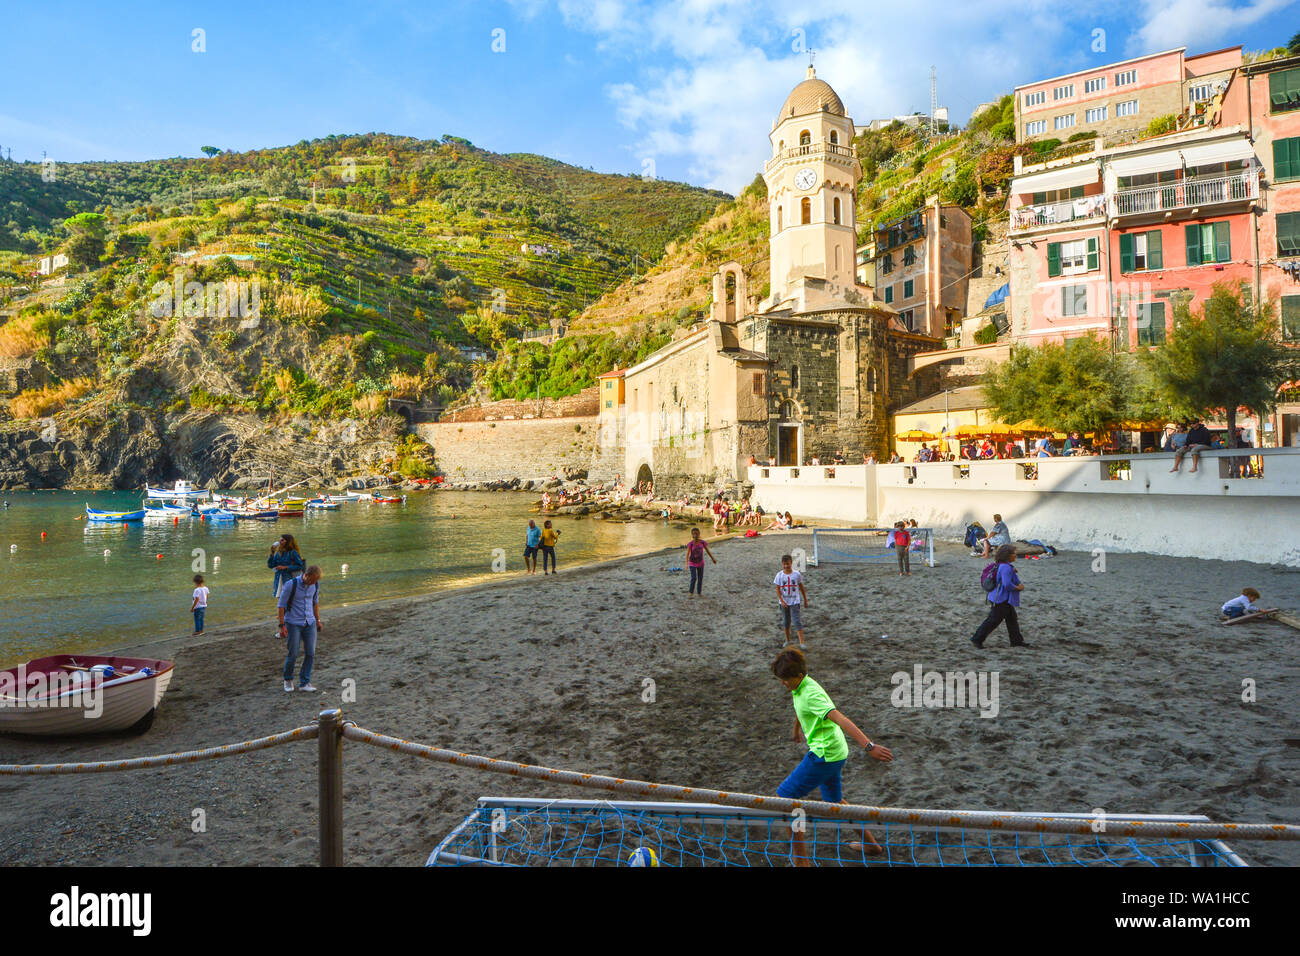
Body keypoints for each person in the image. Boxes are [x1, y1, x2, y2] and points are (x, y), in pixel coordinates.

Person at [771, 647, 892, 865]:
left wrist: (869, 746)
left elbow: (840, 718)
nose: (783, 683)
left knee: (785, 799)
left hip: (825, 755)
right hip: (835, 752)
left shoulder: (811, 693)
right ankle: (872, 846)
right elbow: (802, 707)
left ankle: (801, 862)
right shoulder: (801, 685)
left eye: (785, 679)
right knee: (835, 802)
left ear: (798, 676)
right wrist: (797, 728)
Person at [971, 544, 1028, 648]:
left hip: (998, 597)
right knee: (993, 620)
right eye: (1014, 554)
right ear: (1008, 555)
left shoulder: (1001, 565)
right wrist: (1018, 588)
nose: (1015, 555)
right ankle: (977, 639)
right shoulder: (1006, 567)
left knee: (1011, 619)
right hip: (1001, 599)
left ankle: (1016, 641)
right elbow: (1007, 584)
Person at [278, 565, 323, 692]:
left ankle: (304, 682)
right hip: (293, 623)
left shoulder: (315, 585)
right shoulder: (290, 585)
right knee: (293, 653)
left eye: (316, 581)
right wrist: (282, 626)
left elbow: (315, 603)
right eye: (312, 580)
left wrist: (318, 620)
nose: (313, 583)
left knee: (310, 653)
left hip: (310, 622)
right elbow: (281, 606)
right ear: (307, 575)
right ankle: (288, 680)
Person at [775, 553, 808, 648]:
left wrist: (805, 599)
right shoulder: (779, 575)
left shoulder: (797, 574)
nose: (786, 566)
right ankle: (787, 640)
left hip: (795, 602)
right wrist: (782, 601)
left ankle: (801, 642)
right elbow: (778, 589)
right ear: (782, 564)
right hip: (784, 603)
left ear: (791, 563)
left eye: (788, 564)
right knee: (786, 622)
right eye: (784, 564)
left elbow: (801, 587)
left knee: (797, 621)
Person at [685, 527, 716, 596]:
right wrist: (687, 564)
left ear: (699, 534)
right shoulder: (691, 544)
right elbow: (687, 554)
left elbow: (708, 551)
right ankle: (691, 592)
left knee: (700, 578)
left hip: (700, 563)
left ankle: (699, 592)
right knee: (693, 578)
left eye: (696, 534)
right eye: (694, 534)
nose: (695, 535)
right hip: (692, 563)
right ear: (692, 535)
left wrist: (713, 559)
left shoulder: (702, 543)